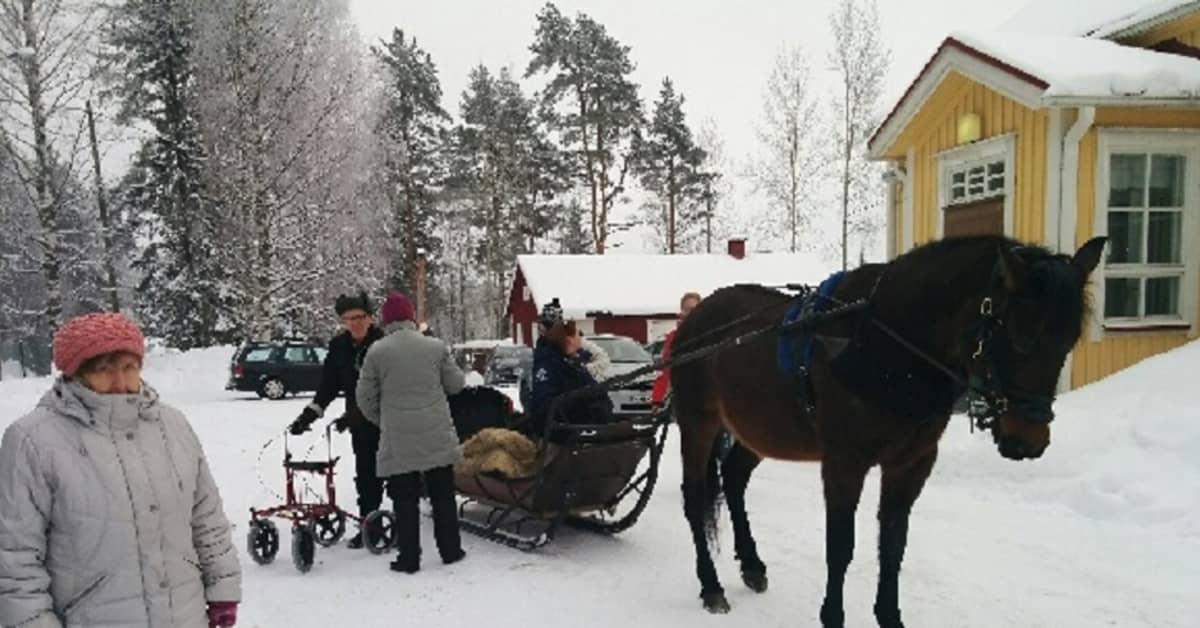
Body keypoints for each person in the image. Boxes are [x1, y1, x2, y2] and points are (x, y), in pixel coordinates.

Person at [0, 312, 241, 628]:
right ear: (75, 374)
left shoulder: (172, 426)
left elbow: (206, 518)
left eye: (129, 368)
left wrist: (223, 588)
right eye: (103, 369)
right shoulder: (34, 440)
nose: (120, 383)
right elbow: (15, 555)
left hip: (184, 615)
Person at [356, 292, 467, 574]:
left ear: (386, 320)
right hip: (436, 432)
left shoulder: (377, 351)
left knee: (404, 499)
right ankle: (451, 550)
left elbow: (364, 397)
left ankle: (408, 559)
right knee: (442, 494)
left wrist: (385, 420)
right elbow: (456, 385)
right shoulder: (435, 346)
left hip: (399, 436)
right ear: (411, 317)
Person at [288, 292, 385, 549]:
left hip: (390, 419)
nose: (354, 323)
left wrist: (355, 414)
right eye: (348, 319)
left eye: (359, 317)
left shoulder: (383, 343)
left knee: (394, 474)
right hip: (360, 424)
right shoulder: (339, 347)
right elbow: (328, 387)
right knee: (366, 475)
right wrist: (309, 415)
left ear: (370, 317)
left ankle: (401, 527)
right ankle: (370, 524)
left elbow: (389, 387)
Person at [525, 305, 615, 439]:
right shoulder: (549, 363)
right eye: (578, 334)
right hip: (562, 432)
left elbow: (595, 391)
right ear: (567, 338)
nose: (581, 339)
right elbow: (545, 406)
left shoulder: (574, 360)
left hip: (583, 429)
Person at [650, 291, 702, 413]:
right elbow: (665, 371)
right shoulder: (674, 338)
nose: (692, 313)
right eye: (688, 309)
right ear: (682, 312)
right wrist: (657, 401)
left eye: (695, 309)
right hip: (682, 399)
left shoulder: (711, 336)